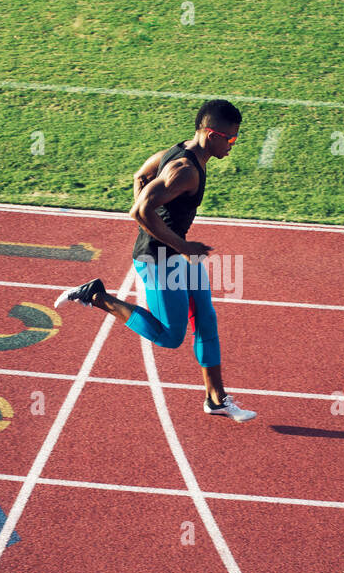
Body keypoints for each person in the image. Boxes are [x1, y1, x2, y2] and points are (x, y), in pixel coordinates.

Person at [54, 99, 256, 422]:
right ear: (210, 134)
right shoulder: (185, 171)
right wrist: (179, 244)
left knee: (206, 317)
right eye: (231, 139)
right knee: (170, 336)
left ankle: (216, 398)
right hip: (158, 260)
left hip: (175, 254)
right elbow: (139, 210)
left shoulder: (179, 152)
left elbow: (140, 175)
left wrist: (167, 234)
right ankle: (97, 296)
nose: (233, 145)